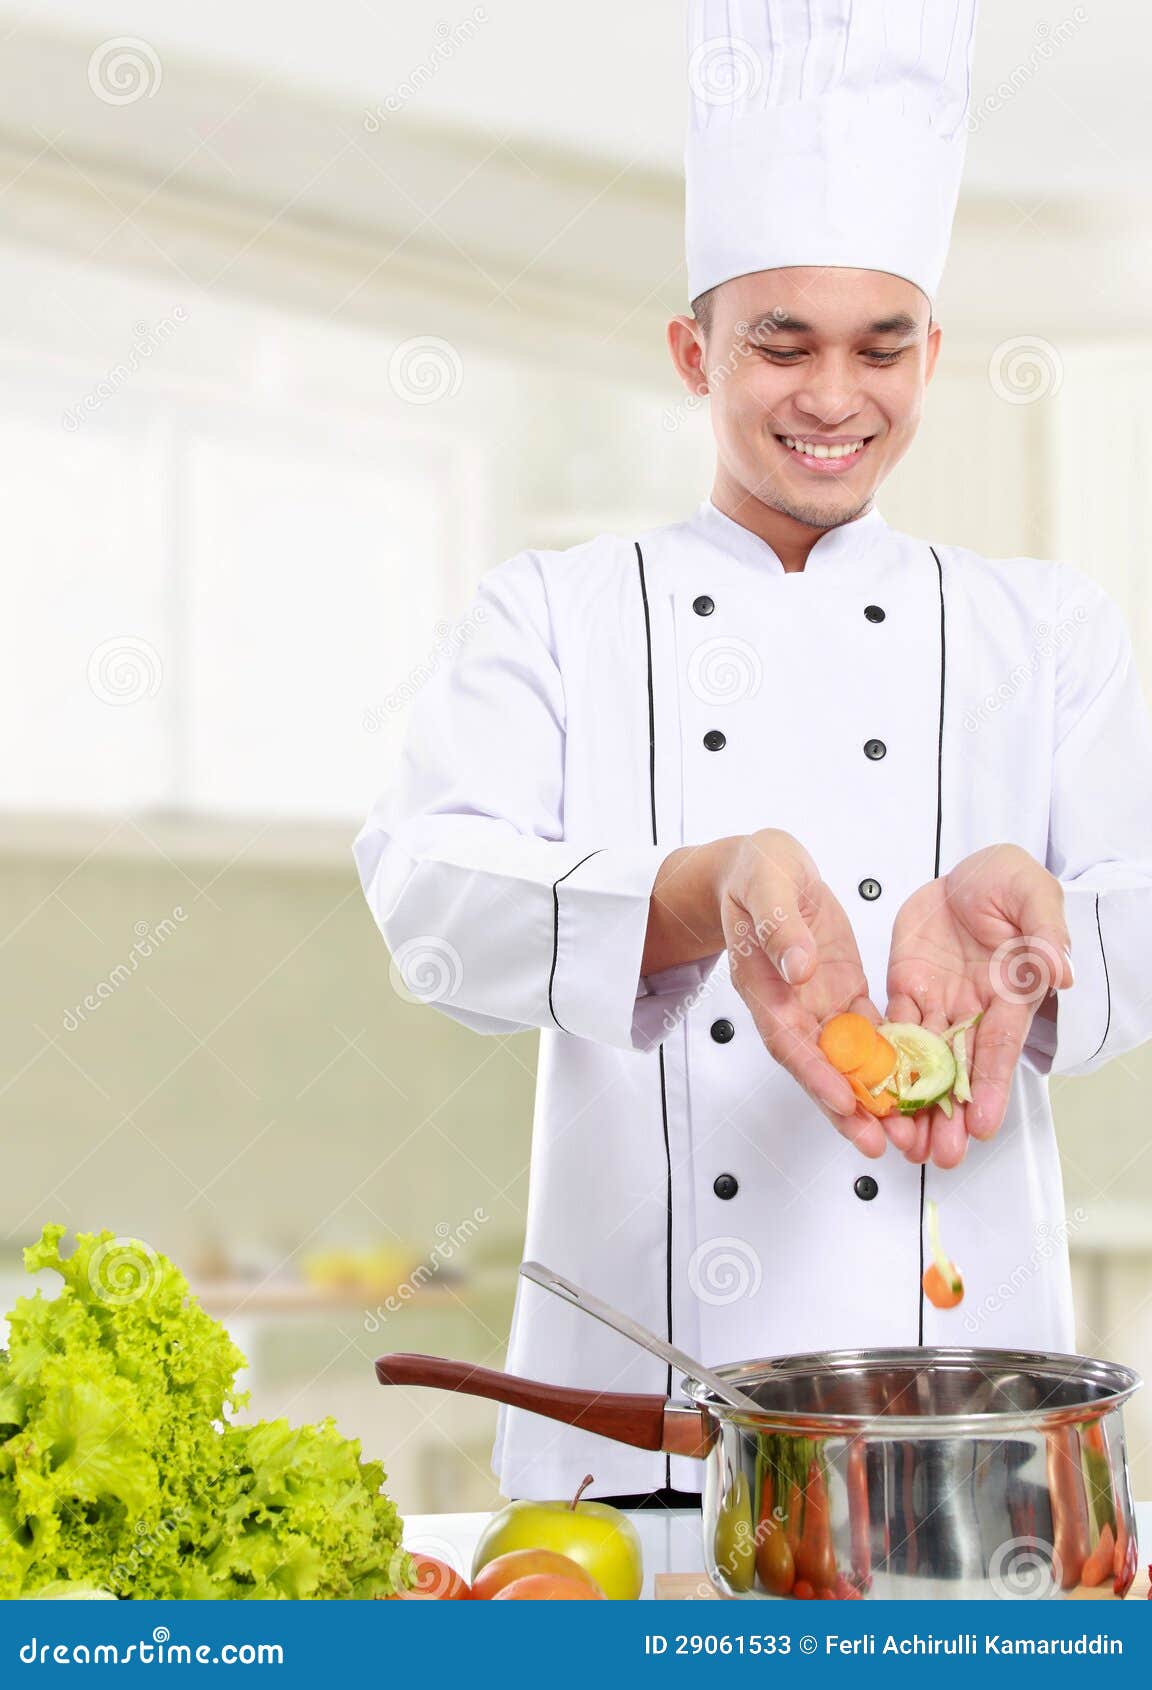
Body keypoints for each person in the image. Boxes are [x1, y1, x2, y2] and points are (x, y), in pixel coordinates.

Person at [354, 0, 1152, 1505]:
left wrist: (1040, 939)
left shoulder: (1047, 630)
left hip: (960, 1433)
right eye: (781, 345)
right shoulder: (555, 611)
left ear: (932, 353)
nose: (834, 398)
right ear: (692, 350)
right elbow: (428, 904)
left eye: (882, 348)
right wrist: (692, 892)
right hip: (647, 1425)